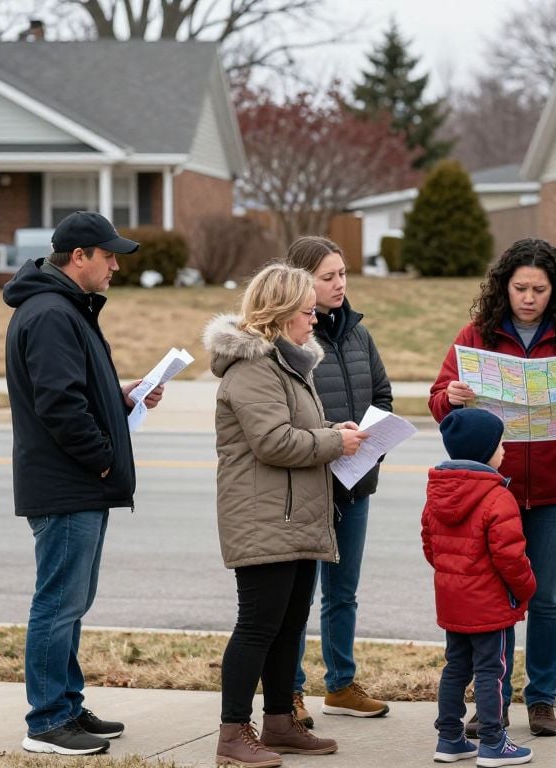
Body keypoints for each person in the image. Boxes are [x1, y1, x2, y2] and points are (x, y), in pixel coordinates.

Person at [429, 238, 556, 737]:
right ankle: (492, 704)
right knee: (496, 602)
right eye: (520, 288)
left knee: (550, 598)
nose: (530, 297)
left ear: (554, 289)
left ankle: (542, 701)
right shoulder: (477, 335)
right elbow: (440, 405)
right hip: (495, 492)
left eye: (539, 288)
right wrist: (449, 397)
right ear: (504, 287)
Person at [4, 211, 164, 756]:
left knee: (71, 602)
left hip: (76, 484)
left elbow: (74, 389)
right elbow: (59, 405)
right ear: (80, 258)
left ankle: (67, 706)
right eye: (109, 255)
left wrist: (120, 398)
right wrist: (101, 461)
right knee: (57, 604)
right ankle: (47, 722)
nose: (115, 264)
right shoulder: (51, 313)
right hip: (67, 484)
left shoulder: (65, 308)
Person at [203, 263, 367, 767]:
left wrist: (328, 430)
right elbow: (273, 442)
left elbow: (296, 429)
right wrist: (333, 441)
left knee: (289, 626)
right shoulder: (254, 367)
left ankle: (279, 722)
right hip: (263, 518)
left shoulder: (289, 364)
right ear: (279, 313)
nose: (314, 319)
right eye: (306, 311)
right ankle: (233, 735)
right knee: (257, 625)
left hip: (295, 517)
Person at [285, 236, 392, 723]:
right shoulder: (289, 337)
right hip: (307, 484)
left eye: (342, 274)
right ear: (301, 282)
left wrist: (374, 445)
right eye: (327, 277)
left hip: (356, 481)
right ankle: (289, 690)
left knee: (343, 591)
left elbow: (383, 394)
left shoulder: (357, 333)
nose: (339, 284)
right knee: (296, 595)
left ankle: (342, 684)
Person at [422, 408, 536, 767]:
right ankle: (492, 741)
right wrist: (527, 587)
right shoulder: (497, 497)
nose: (504, 450)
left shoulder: (438, 491)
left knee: (455, 667)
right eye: (501, 443)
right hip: (489, 603)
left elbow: (431, 545)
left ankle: (450, 738)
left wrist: (452, 576)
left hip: (452, 600)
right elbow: (511, 557)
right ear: (487, 449)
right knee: (492, 670)